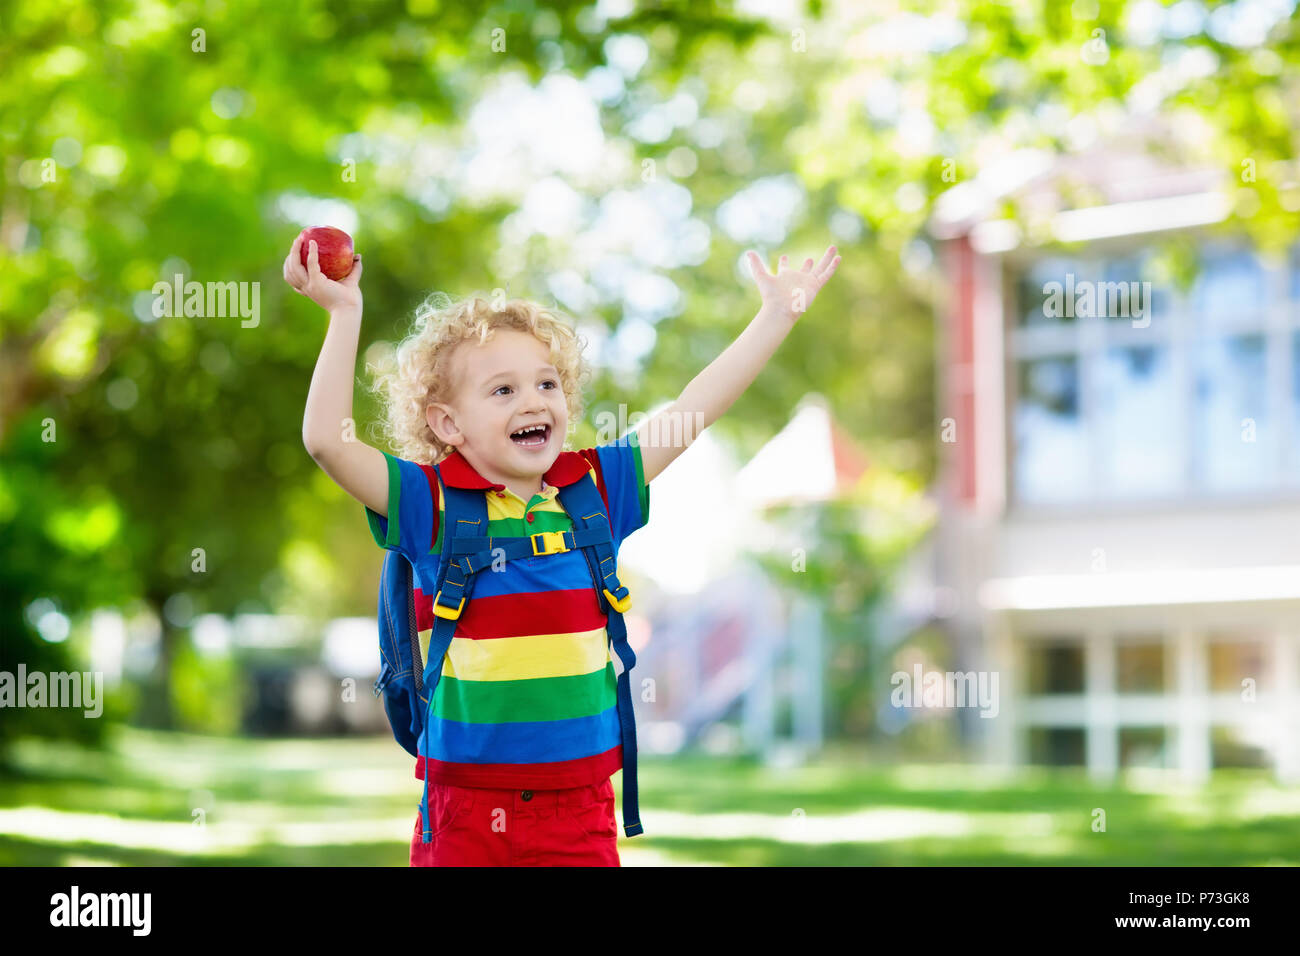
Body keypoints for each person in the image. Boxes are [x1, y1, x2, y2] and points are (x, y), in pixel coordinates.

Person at [284, 234, 840, 865]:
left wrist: (775, 317)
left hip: (578, 808)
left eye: (547, 384)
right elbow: (328, 441)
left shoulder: (596, 491)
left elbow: (694, 410)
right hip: (466, 806)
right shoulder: (431, 506)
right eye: (502, 391)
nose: (533, 400)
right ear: (447, 424)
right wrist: (344, 314)